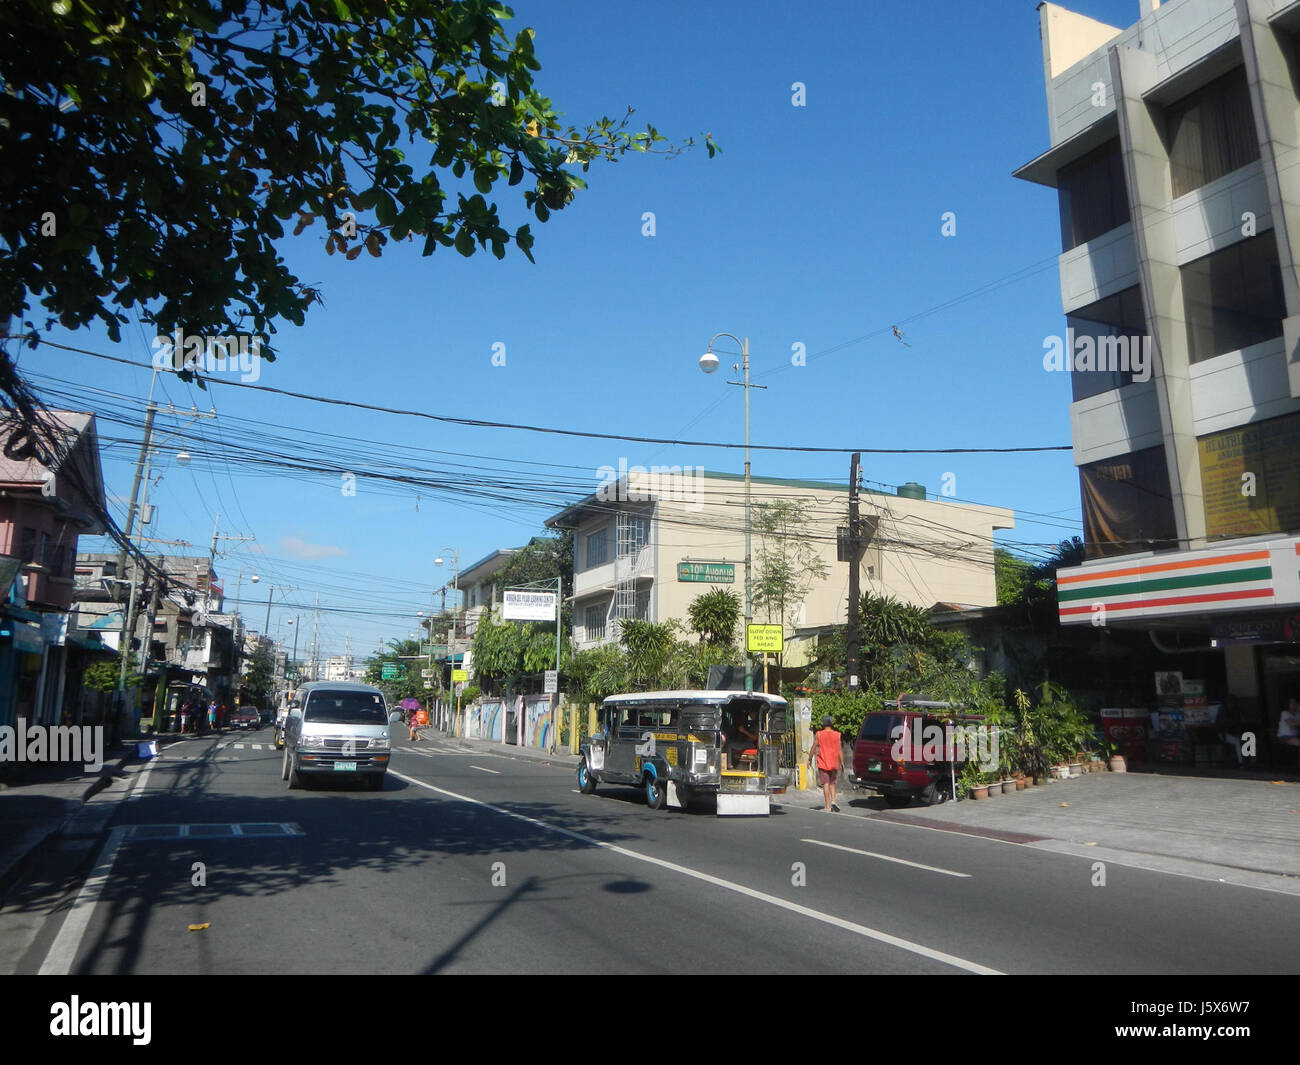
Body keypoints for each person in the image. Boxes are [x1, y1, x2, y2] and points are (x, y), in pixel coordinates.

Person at [808, 714, 842, 812]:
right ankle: (834, 801)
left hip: (823, 762)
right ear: (831, 723)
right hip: (834, 763)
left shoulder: (819, 734)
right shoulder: (837, 734)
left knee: (825, 784)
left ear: (823, 724)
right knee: (832, 783)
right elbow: (840, 750)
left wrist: (809, 759)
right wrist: (842, 763)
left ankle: (827, 806)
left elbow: (814, 747)